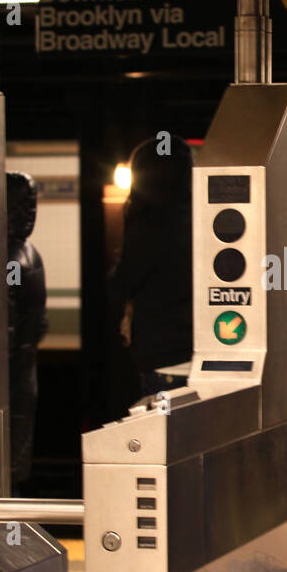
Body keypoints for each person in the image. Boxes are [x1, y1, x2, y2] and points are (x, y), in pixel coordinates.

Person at [110, 135, 193, 397]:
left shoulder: (146, 228)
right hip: (205, 353)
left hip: (163, 358)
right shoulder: (205, 221)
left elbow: (121, 284)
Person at [6, 171, 48, 492]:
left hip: (6, 376)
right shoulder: (30, 253)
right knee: (14, 461)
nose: (29, 212)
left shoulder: (11, 260)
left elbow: (5, 321)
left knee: (3, 462)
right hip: (25, 369)